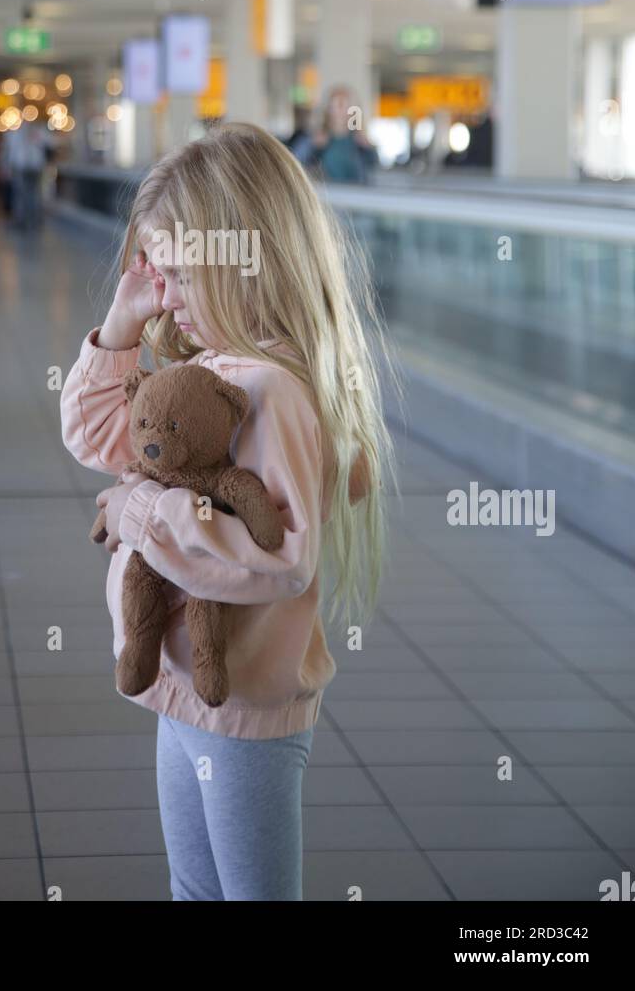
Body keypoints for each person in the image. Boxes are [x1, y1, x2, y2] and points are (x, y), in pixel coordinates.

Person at [60, 123, 393, 901]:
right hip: (187, 692)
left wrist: (140, 510)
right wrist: (120, 325)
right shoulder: (214, 365)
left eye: (176, 275)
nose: (164, 296)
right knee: (196, 890)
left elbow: (275, 557)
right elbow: (103, 438)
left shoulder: (270, 390)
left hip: (241, 708)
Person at [313, 86, 377, 184]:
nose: (339, 111)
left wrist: (367, 148)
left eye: (344, 105)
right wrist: (316, 149)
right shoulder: (317, 140)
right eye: (335, 105)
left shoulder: (359, 140)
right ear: (328, 109)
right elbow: (299, 166)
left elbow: (374, 165)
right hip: (326, 195)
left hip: (356, 195)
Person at [1, 119, 47, 229]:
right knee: (28, 194)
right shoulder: (37, 132)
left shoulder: (36, 133)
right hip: (27, 167)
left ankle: (27, 220)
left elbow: (9, 151)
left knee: (26, 194)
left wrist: (6, 167)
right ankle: (27, 220)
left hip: (28, 167)